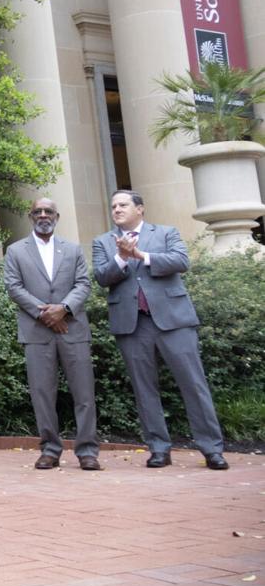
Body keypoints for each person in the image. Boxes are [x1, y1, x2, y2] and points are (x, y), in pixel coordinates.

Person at [93, 190, 229, 470]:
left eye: (123, 205)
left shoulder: (166, 232)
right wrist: (120, 258)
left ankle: (212, 449)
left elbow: (181, 262)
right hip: (132, 324)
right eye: (114, 205)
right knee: (144, 389)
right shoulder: (103, 242)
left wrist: (140, 254)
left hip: (173, 320)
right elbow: (101, 277)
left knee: (193, 384)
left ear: (140, 209)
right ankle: (158, 449)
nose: (117, 209)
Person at [4, 199, 99, 471]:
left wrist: (64, 309)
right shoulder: (15, 251)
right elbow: (14, 287)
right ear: (30, 216)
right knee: (42, 394)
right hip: (37, 332)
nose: (43, 215)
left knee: (84, 393)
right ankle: (50, 449)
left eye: (48, 212)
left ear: (57, 216)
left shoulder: (72, 249)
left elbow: (83, 284)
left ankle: (87, 451)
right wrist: (46, 314)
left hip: (73, 328)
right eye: (38, 212)